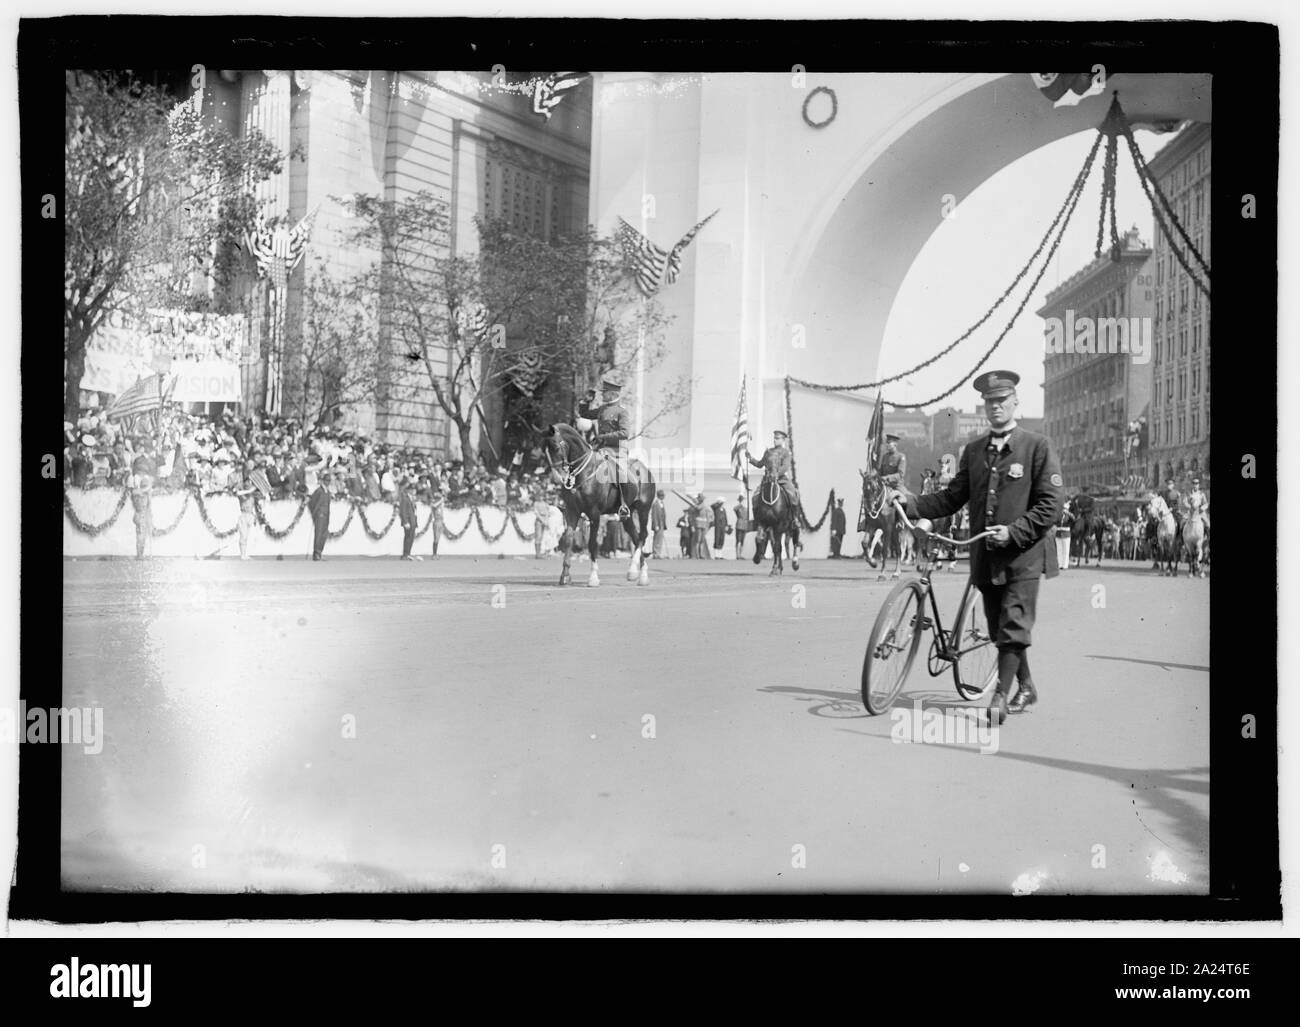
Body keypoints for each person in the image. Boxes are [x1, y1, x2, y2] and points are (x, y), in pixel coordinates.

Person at [896, 370, 1064, 725]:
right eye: (990, 402)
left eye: (1002, 400)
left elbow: (1052, 505)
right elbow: (951, 497)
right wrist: (911, 503)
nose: (996, 406)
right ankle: (1027, 684)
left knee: (1014, 622)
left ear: (1016, 402)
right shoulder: (973, 451)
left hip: (1024, 555)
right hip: (985, 557)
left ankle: (1000, 696)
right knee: (996, 627)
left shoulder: (1037, 446)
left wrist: (1015, 532)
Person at [575, 372, 633, 493]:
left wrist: (603, 437)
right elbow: (585, 414)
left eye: (604, 392)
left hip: (617, 450)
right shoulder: (602, 409)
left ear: (612, 394)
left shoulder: (621, 412)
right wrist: (586, 401)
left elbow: (625, 433)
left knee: (620, 476)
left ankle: (623, 504)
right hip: (600, 448)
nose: (601, 395)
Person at [747, 429, 800, 513]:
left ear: (783, 440)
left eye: (777, 438)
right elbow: (760, 464)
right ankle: (756, 519)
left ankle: (795, 518)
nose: (775, 440)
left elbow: (785, 467)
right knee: (755, 496)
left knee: (793, 493)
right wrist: (751, 459)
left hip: (781, 480)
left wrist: (777, 474)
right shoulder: (768, 452)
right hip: (767, 480)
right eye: (774, 438)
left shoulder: (786, 453)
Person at [234, 461, 259, 560]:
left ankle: (245, 553)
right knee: (243, 535)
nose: (249, 484)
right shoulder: (243, 492)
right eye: (247, 482)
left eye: (250, 482)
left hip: (250, 514)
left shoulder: (251, 494)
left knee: (248, 535)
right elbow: (238, 493)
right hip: (243, 514)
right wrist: (249, 491)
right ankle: (242, 554)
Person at [306, 459, 331, 561]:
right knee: (319, 533)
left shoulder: (327, 491)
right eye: (326, 480)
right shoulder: (319, 491)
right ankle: (316, 553)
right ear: (323, 481)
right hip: (320, 514)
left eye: (329, 481)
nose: (328, 482)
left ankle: (320, 551)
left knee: (324, 534)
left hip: (326, 514)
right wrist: (315, 513)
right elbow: (311, 502)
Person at [127, 468, 154, 560]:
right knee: (140, 536)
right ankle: (139, 554)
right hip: (140, 516)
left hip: (142, 516)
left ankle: (140, 554)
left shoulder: (139, 494)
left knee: (141, 536)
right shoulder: (139, 494)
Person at [878, 433, 912, 499]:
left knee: (905, 501)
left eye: (889, 443)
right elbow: (881, 471)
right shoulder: (885, 456)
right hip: (884, 486)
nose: (887, 445)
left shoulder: (901, 456)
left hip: (896, 486)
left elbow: (900, 474)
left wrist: (887, 478)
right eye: (886, 443)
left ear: (895, 444)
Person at [398, 475, 420, 560]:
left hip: (413, 520)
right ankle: (405, 554)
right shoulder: (405, 498)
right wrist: (405, 521)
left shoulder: (412, 498)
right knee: (407, 537)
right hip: (408, 521)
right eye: (412, 490)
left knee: (411, 537)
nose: (414, 491)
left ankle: (408, 553)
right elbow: (403, 511)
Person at [692, 492, 712, 559]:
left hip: (704, 524)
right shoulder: (698, 506)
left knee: (702, 540)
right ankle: (697, 555)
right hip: (698, 524)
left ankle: (701, 554)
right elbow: (697, 509)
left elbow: (707, 515)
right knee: (698, 540)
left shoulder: (703, 506)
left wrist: (708, 524)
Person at [651, 490, 668, 558]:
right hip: (658, 524)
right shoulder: (655, 504)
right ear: (659, 496)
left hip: (662, 524)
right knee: (657, 539)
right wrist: (656, 525)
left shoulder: (662, 503)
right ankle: (655, 553)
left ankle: (658, 553)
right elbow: (654, 515)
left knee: (660, 539)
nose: (663, 496)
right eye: (662, 495)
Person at [733, 494, 750, 559]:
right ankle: (737, 555)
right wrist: (740, 504)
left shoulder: (746, 508)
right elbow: (734, 509)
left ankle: (740, 554)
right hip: (739, 525)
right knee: (738, 540)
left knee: (742, 541)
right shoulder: (738, 508)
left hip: (745, 525)